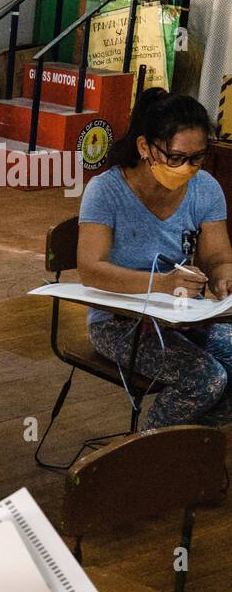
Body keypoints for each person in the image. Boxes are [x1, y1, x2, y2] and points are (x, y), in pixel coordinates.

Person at [77, 88, 232, 428]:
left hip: (184, 316)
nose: (187, 168)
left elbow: (217, 254)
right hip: (118, 321)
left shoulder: (204, 188)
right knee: (205, 378)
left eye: (198, 158)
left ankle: (193, 449)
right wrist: (163, 284)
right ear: (145, 147)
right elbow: (90, 271)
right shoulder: (106, 191)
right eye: (176, 157)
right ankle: (150, 456)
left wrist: (223, 275)